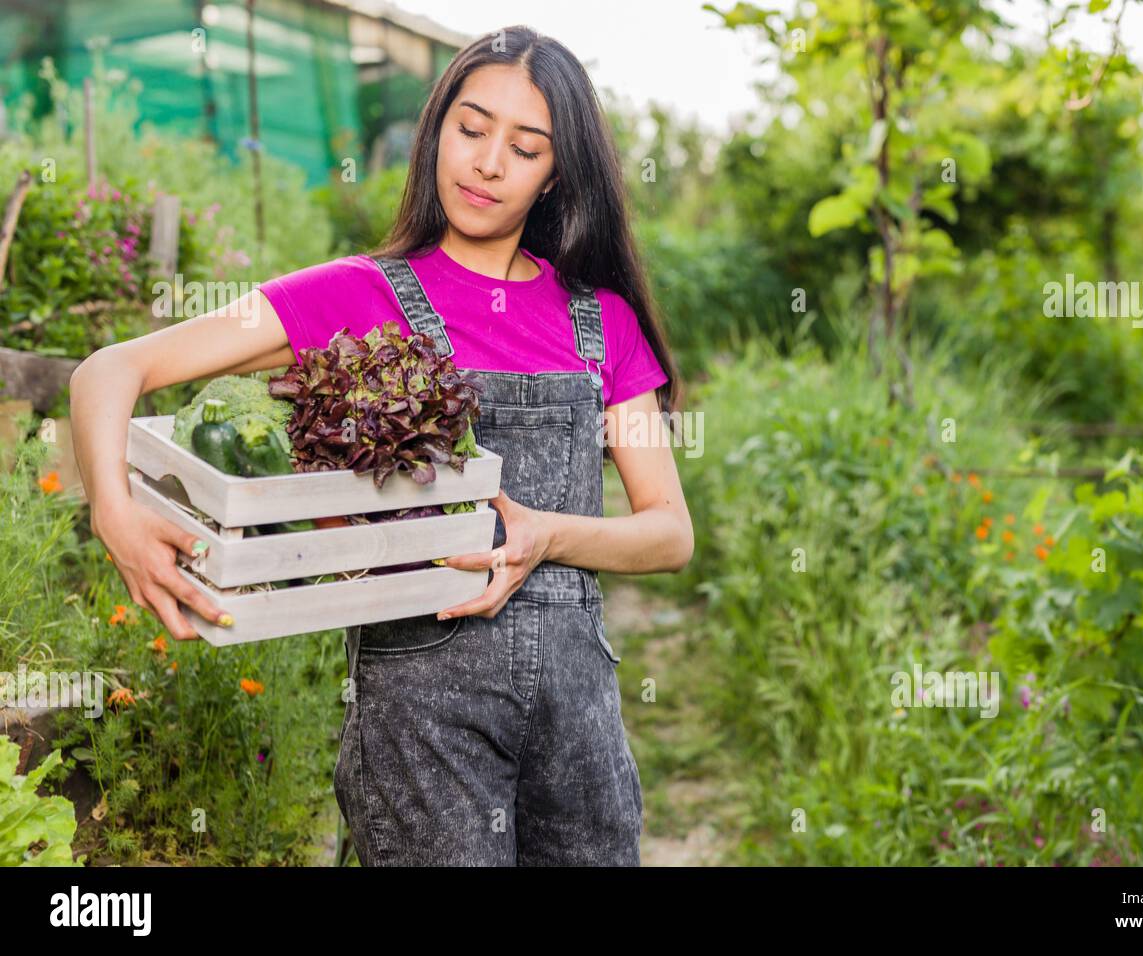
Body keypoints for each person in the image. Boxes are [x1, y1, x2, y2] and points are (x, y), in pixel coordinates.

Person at [69, 25, 693, 866]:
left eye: (525, 147)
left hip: (575, 711)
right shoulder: (357, 295)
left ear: (555, 176)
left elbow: (668, 532)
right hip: (418, 713)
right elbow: (112, 370)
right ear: (436, 130)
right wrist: (117, 513)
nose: (487, 163)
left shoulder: (600, 320)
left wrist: (545, 534)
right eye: (471, 129)